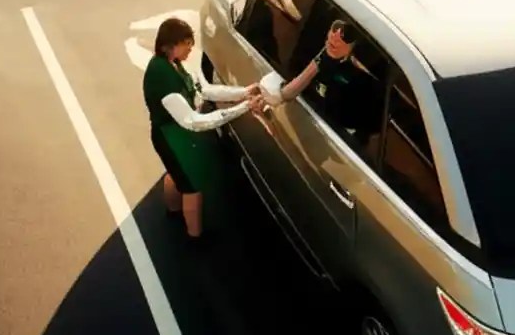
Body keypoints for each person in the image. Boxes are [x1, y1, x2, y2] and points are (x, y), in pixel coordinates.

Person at [143, 17, 264, 240]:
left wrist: (244, 92)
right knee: (192, 187)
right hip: (171, 136)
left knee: (175, 173)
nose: (191, 47)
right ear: (173, 44)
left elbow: (203, 91)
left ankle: (173, 211)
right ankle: (195, 236)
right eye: (187, 43)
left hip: (172, 133)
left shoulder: (172, 64)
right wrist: (244, 107)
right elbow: (194, 121)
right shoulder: (164, 79)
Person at [265, 19, 381, 148]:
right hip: (293, 125)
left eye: (346, 35)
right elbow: (291, 80)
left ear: (356, 44)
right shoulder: (314, 49)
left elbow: (365, 130)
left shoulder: (365, 80)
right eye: (335, 27)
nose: (335, 36)